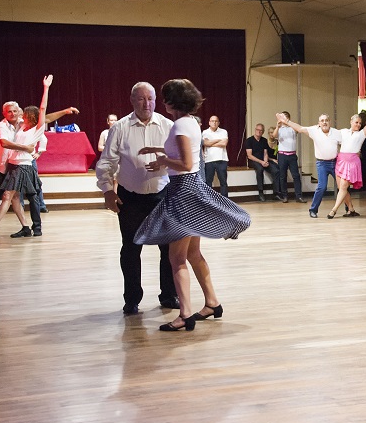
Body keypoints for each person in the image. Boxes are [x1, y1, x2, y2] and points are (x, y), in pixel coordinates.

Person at [133, 79, 251, 332]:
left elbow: (185, 164)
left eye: (165, 98)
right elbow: (183, 153)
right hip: (188, 190)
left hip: (183, 193)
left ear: (173, 101)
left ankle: (185, 315)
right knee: (193, 254)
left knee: (177, 259)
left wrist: (162, 161)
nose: (161, 102)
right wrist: (159, 151)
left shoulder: (180, 125)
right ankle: (212, 303)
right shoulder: (189, 123)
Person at [95, 81, 178, 315]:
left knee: (168, 249)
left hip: (162, 195)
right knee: (130, 249)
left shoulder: (167, 125)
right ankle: (132, 299)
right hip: (129, 197)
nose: (147, 103)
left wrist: (165, 162)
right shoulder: (119, 128)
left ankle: (169, 295)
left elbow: (180, 158)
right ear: (132, 101)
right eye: (141, 99)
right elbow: (106, 163)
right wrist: (107, 191)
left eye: (150, 99)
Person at [0, 91, 79, 240]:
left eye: (15, 111)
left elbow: (45, 116)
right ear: (4, 113)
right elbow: (4, 143)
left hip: (21, 165)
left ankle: (25, 227)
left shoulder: (26, 123)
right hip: (6, 166)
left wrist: (64, 111)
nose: (12, 114)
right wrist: (27, 148)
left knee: (21, 196)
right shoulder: (2, 126)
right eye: (9, 111)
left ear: (19, 112)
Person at [0, 75, 53, 238]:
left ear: (30, 116)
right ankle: (26, 227)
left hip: (24, 166)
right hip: (13, 165)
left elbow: (43, 109)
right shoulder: (22, 127)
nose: (20, 115)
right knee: (13, 196)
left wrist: (46, 88)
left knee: (20, 196)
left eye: (23, 113)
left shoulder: (36, 129)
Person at [326, 106, 366, 219]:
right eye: (356, 122)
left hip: (352, 162)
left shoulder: (362, 134)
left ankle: (333, 210)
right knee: (342, 187)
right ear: (351, 121)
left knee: (343, 187)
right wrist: (321, 125)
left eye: (360, 123)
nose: (358, 125)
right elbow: (329, 132)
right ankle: (351, 209)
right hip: (341, 160)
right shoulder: (343, 132)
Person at [278, 113, 342, 218]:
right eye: (322, 120)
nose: (324, 122)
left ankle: (349, 209)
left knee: (343, 187)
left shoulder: (336, 132)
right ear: (319, 123)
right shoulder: (314, 130)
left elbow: (345, 144)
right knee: (322, 187)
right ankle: (313, 210)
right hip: (322, 163)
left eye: (326, 120)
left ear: (329, 122)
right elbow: (300, 128)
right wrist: (287, 122)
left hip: (335, 163)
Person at [272, 111, 305, 203]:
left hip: (292, 155)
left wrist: (288, 122)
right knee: (282, 176)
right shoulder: (280, 128)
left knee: (296, 176)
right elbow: (274, 136)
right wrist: (278, 126)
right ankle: (285, 196)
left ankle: (298, 196)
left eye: (285, 117)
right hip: (282, 155)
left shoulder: (292, 128)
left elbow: (298, 129)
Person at [245, 123, 281, 202]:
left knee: (276, 170)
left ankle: (276, 193)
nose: (259, 132)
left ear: (263, 131)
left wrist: (265, 161)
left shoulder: (264, 140)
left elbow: (265, 153)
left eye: (261, 130)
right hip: (253, 161)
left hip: (263, 160)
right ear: (255, 130)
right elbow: (249, 155)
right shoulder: (249, 140)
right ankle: (261, 193)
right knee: (260, 169)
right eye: (257, 130)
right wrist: (261, 162)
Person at [201, 115, 229, 197]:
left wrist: (210, 143)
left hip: (222, 159)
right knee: (208, 182)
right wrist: (218, 140)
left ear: (219, 123)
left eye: (216, 121)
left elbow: (224, 144)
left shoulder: (223, 131)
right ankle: (209, 201)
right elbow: (206, 143)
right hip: (209, 160)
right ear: (209, 122)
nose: (214, 123)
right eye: (212, 121)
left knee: (223, 182)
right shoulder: (205, 132)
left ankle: (225, 201)